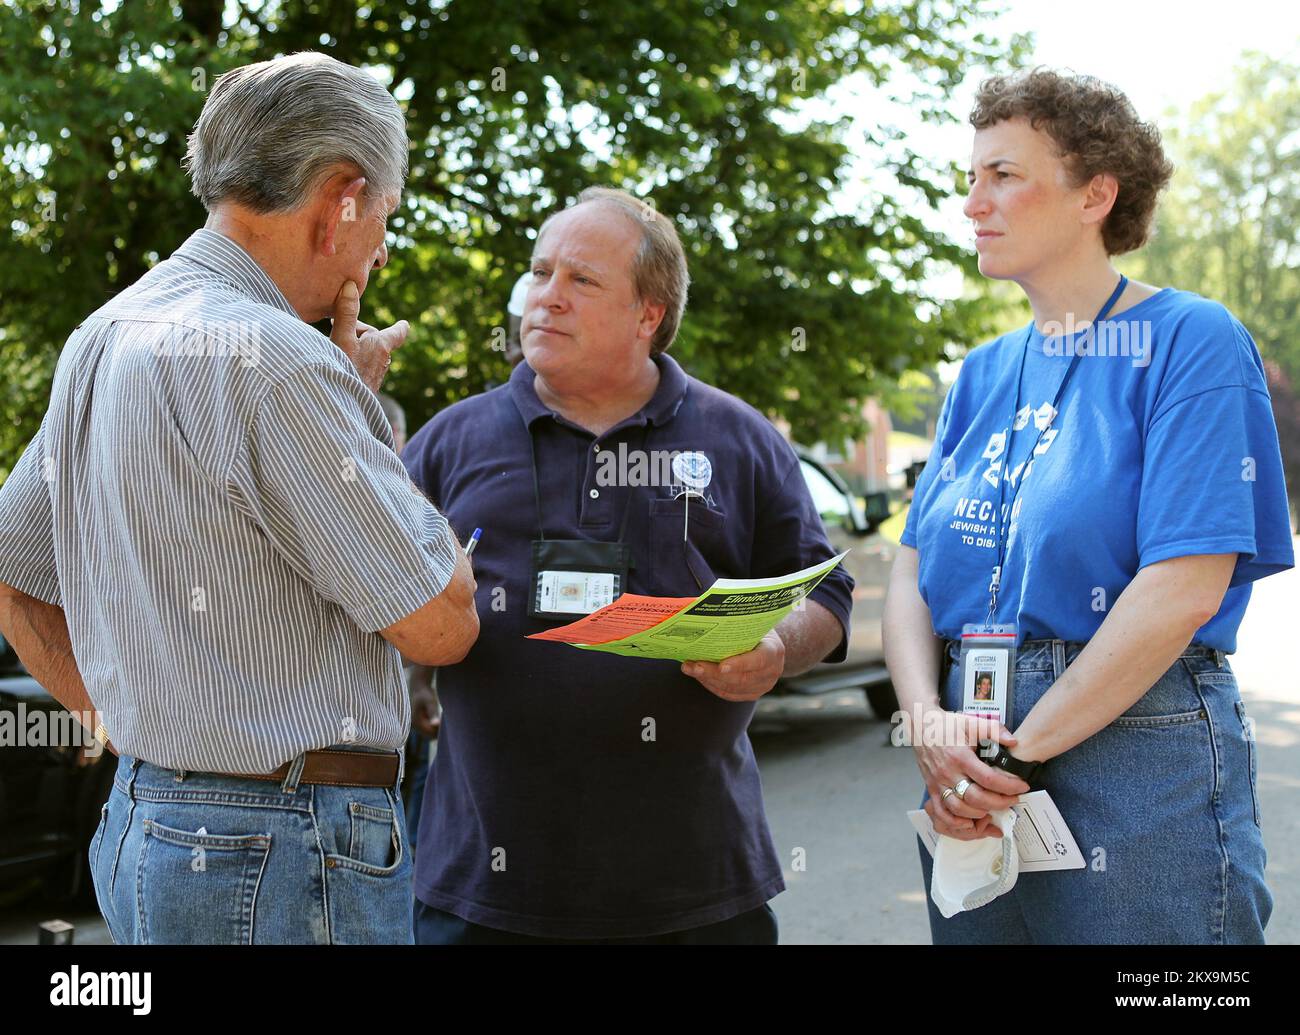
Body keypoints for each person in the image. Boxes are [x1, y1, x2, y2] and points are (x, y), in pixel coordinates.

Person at [0, 52, 480, 944]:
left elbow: (14, 576)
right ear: (341, 194)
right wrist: (362, 410)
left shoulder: (102, 337)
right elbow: (444, 622)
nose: (380, 249)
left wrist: (152, 740)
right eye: (385, 217)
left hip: (149, 819)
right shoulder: (283, 361)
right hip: (283, 848)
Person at [883, 69, 1295, 944]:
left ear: (1095, 194)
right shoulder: (980, 374)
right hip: (972, 754)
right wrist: (928, 725)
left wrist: (1012, 755)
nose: (972, 203)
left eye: (1004, 174)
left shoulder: (1191, 339)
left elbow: (1183, 584)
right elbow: (913, 567)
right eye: (970, 178)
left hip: (1131, 745)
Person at [402, 186, 855, 944]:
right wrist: (411, 674)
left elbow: (829, 592)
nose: (546, 299)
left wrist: (777, 648)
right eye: (540, 274)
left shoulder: (736, 438)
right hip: (483, 891)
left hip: (696, 892)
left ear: (649, 315)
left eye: (581, 280)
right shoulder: (453, 441)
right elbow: (379, 592)